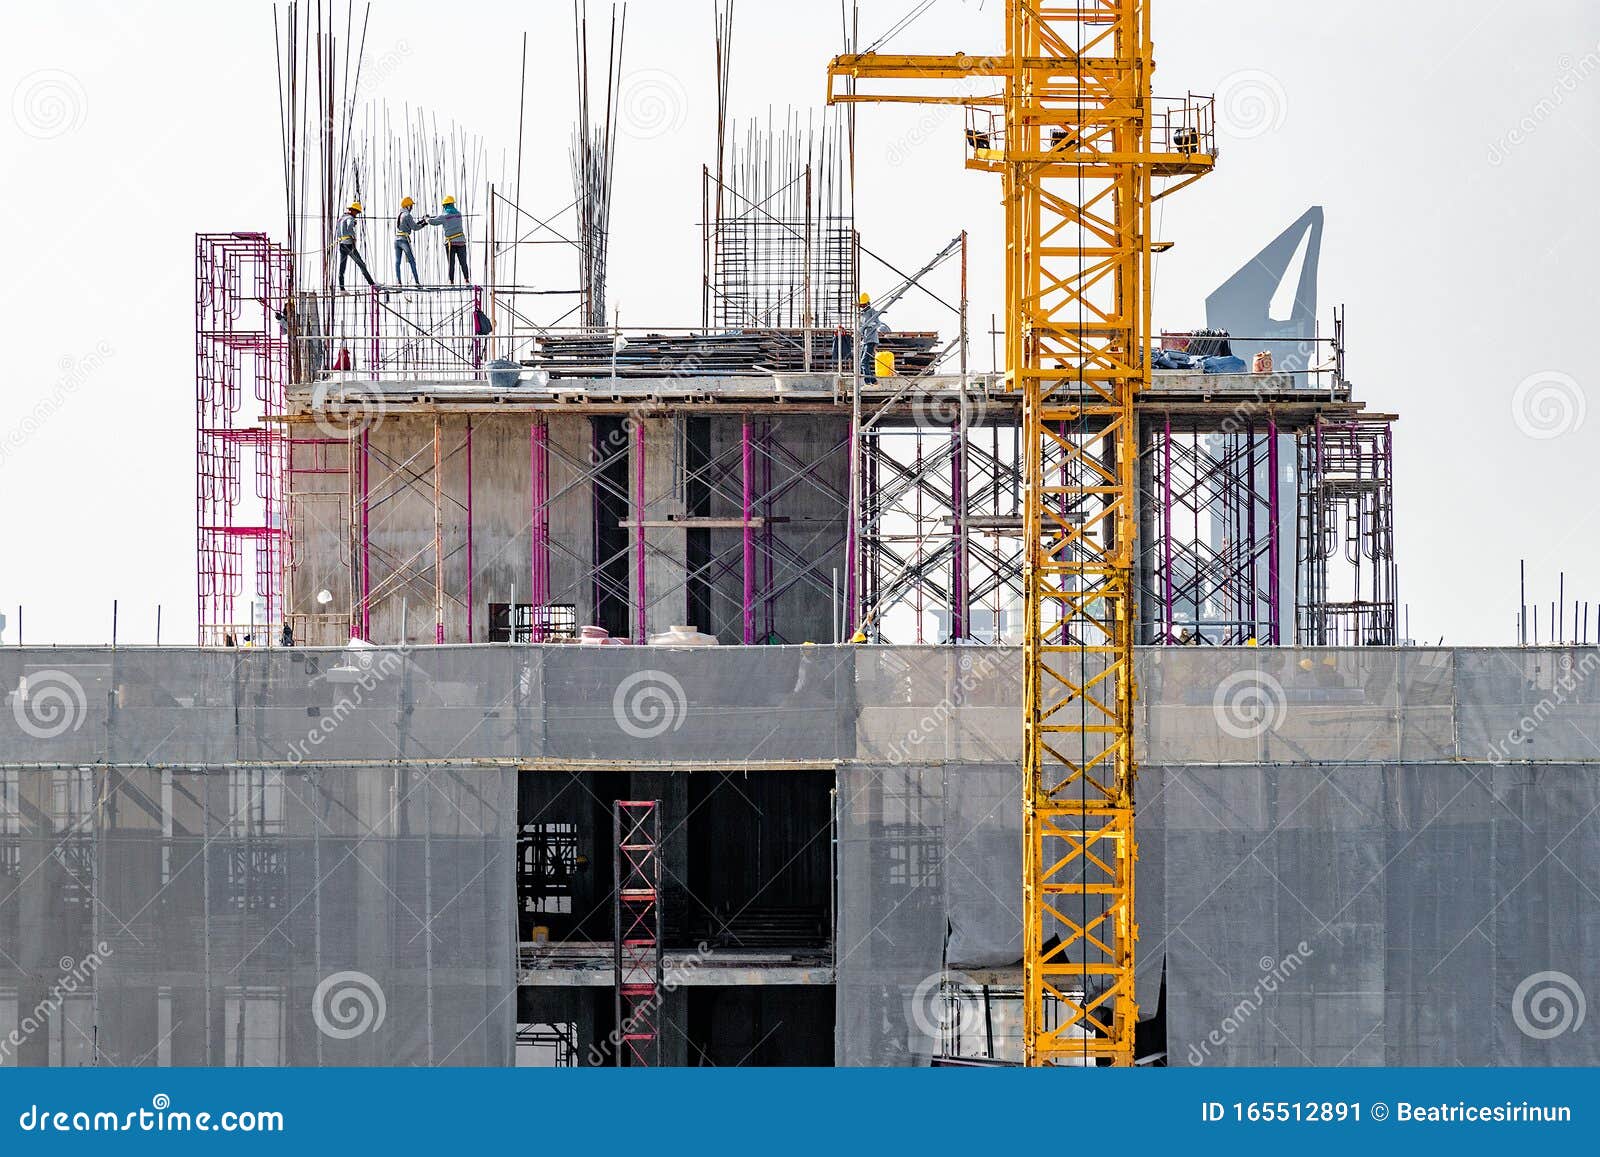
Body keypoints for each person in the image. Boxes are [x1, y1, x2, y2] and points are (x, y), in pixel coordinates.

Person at [424, 195, 471, 284]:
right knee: (463, 262)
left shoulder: (444, 216)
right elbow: (449, 219)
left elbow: (433, 222)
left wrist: (426, 218)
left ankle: (451, 280)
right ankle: (466, 280)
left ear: (445, 206)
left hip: (450, 243)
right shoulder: (459, 214)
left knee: (451, 263)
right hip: (461, 242)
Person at [336, 201, 376, 290]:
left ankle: (342, 289)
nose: (356, 214)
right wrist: (353, 236)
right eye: (357, 212)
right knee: (361, 264)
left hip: (342, 245)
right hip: (349, 245)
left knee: (342, 267)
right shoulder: (351, 218)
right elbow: (349, 227)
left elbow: (338, 231)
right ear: (353, 210)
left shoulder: (341, 218)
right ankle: (372, 284)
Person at [857, 290, 888, 382]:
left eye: (863, 304)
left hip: (871, 340)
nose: (862, 306)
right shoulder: (861, 314)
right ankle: (872, 381)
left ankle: (869, 381)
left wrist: (870, 325)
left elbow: (878, 323)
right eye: (861, 305)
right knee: (862, 362)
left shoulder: (872, 311)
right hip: (865, 340)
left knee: (864, 361)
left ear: (867, 303)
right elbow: (861, 327)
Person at [394, 196, 425, 286]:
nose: (412, 208)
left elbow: (410, 225)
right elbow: (414, 227)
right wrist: (424, 224)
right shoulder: (407, 215)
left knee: (397, 261)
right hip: (404, 240)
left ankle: (399, 282)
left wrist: (421, 221)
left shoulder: (400, 214)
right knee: (412, 260)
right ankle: (417, 282)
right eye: (411, 206)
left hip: (397, 239)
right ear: (407, 206)